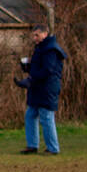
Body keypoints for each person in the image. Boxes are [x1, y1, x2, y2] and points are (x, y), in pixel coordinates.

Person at [16, 24, 67, 155]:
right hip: (38, 87)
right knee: (30, 115)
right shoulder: (41, 48)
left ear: (45, 34)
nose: (35, 38)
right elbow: (39, 66)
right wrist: (27, 67)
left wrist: (31, 79)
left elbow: (48, 70)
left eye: (37, 35)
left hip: (47, 88)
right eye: (33, 35)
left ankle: (53, 148)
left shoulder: (50, 50)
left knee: (46, 117)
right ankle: (32, 145)